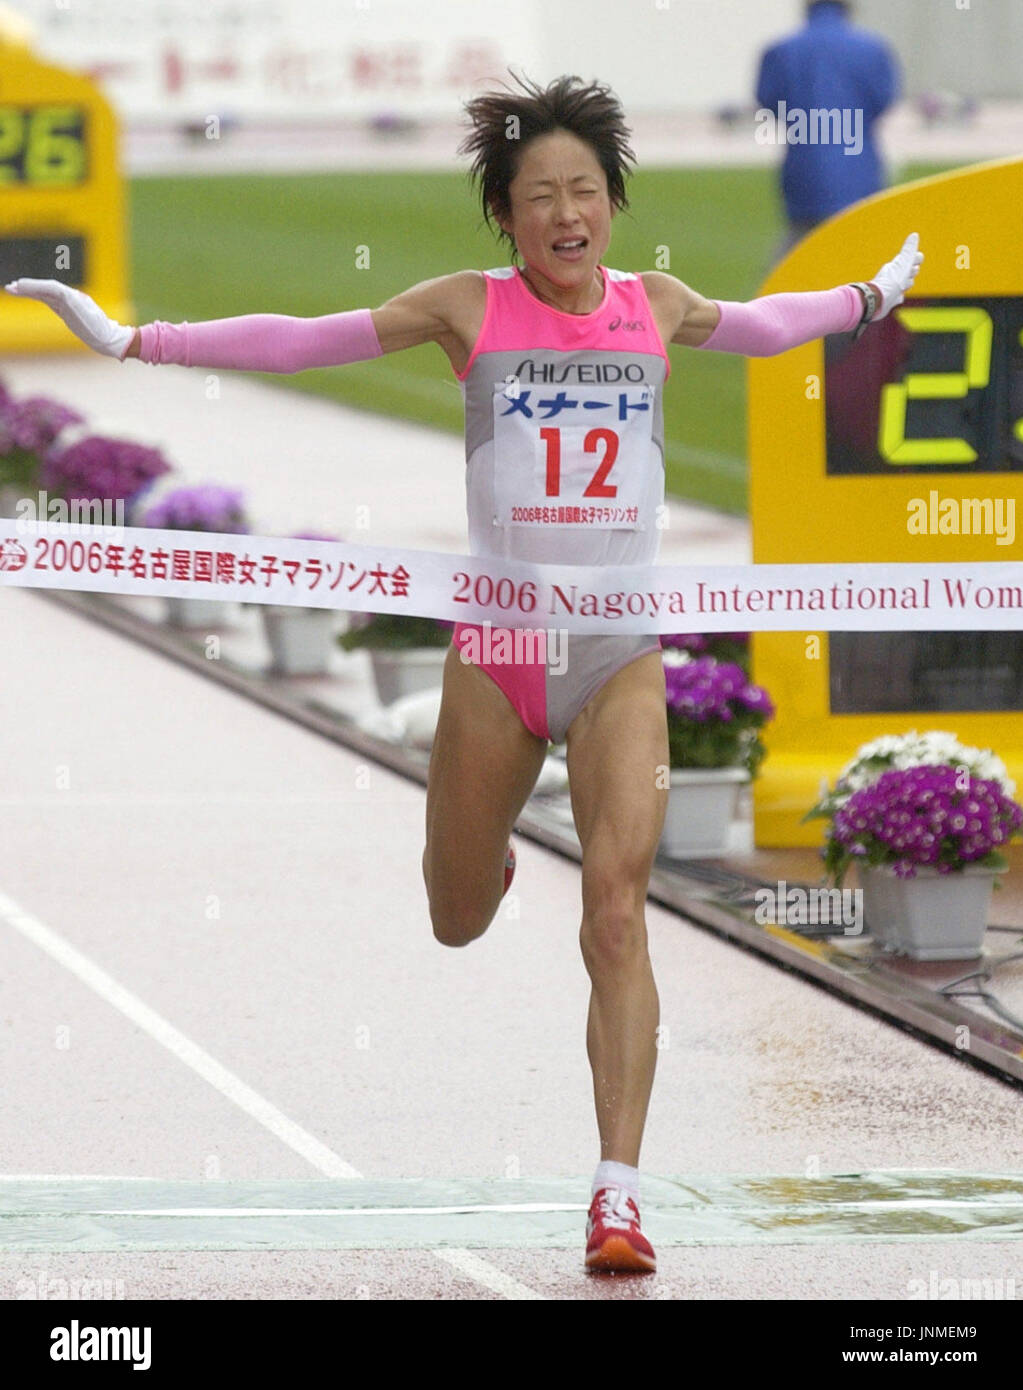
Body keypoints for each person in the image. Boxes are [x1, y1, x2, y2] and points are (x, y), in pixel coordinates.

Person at [4, 70, 922, 1275]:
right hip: (497, 653)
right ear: (505, 213)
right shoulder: (466, 309)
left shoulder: (655, 304)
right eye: (538, 194)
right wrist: (136, 340)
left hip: (617, 652)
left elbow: (762, 323)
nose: (564, 212)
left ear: (611, 202)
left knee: (613, 909)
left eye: (583, 189)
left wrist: (867, 296)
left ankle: (618, 1195)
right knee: (454, 918)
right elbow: (305, 340)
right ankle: (479, 848)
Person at [757, 0, 900, 260]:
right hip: (860, 168)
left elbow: (768, 100)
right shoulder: (873, 49)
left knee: (800, 260)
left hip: (803, 170)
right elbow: (882, 100)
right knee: (863, 260)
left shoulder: (780, 51)